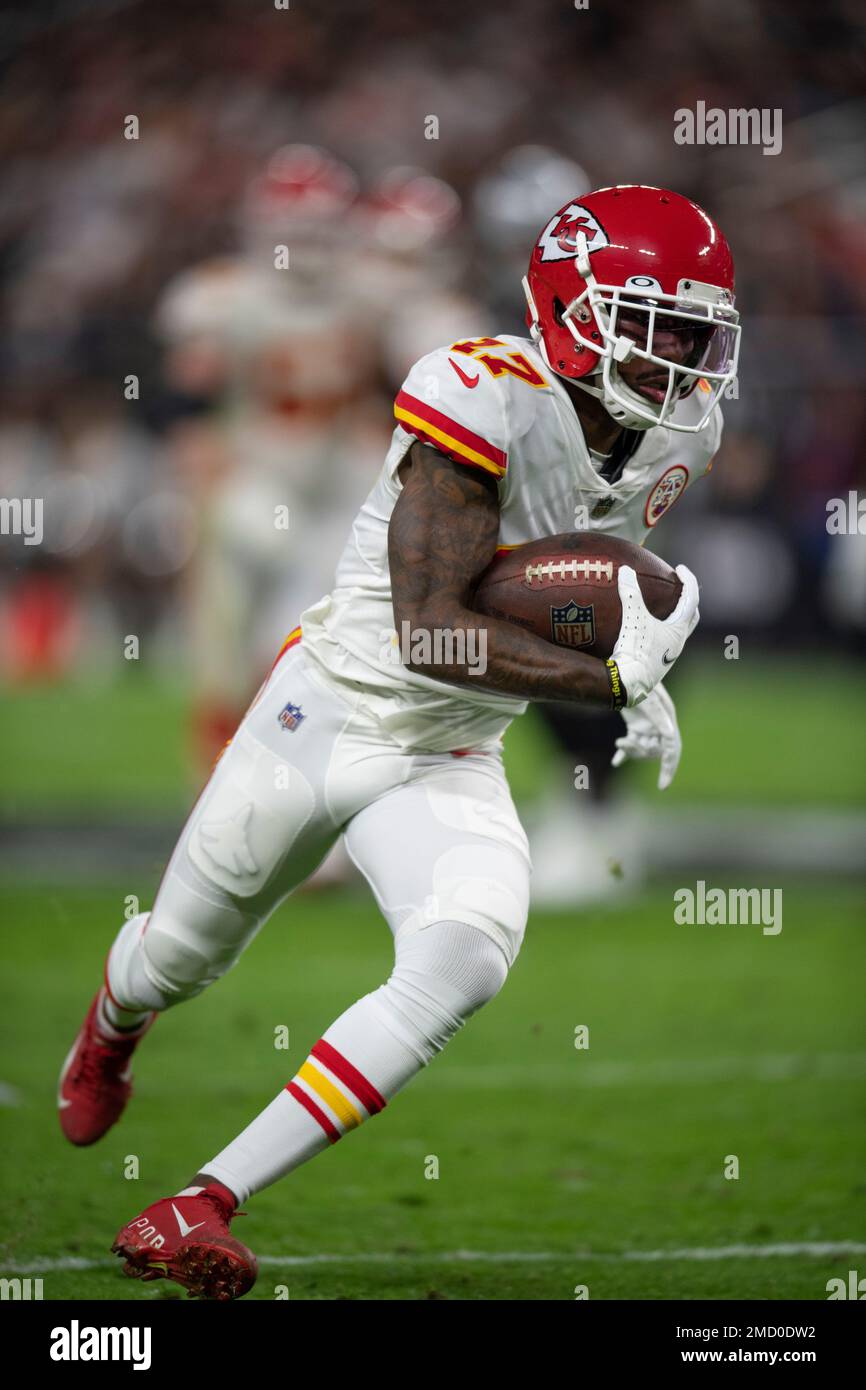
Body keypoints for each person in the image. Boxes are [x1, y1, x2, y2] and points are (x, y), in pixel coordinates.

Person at [58, 184, 740, 1300]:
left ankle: (201, 1200)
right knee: (181, 955)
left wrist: (624, 640)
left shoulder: (685, 433)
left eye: (694, 327)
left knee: (465, 952)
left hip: (451, 751)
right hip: (325, 711)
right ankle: (110, 1027)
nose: (680, 352)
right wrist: (610, 676)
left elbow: (565, 582)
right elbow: (431, 628)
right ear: (571, 306)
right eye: (652, 319)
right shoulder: (476, 388)